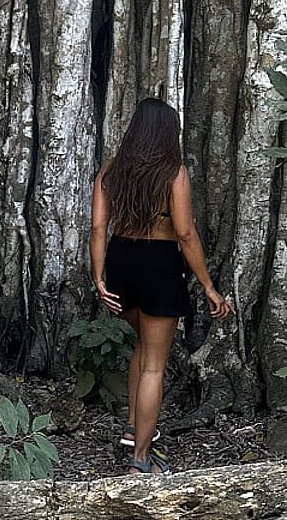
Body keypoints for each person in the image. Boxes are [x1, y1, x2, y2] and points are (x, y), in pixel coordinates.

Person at [89, 97, 234, 475]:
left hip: (122, 262)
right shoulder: (174, 174)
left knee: (142, 346)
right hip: (159, 265)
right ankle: (140, 458)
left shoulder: (110, 171)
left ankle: (134, 429)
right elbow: (185, 234)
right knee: (154, 364)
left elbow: (98, 229)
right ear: (168, 133)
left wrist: (98, 277)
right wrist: (208, 286)